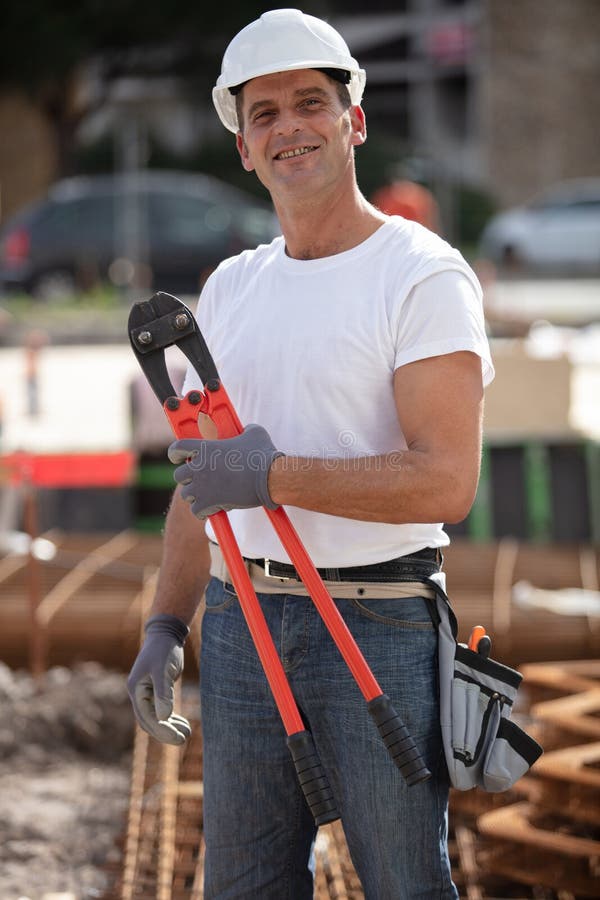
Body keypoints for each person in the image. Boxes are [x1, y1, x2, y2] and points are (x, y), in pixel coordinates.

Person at [127, 9, 494, 898]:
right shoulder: (233, 287)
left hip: (383, 624)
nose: (289, 126)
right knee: (245, 888)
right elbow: (199, 481)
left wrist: (271, 472)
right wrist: (166, 624)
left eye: (310, 104)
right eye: (264, 114)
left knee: (406, 883)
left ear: (354, 120)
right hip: (245, 628)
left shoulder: (422, 274)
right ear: (244, 148)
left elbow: (446, 481)